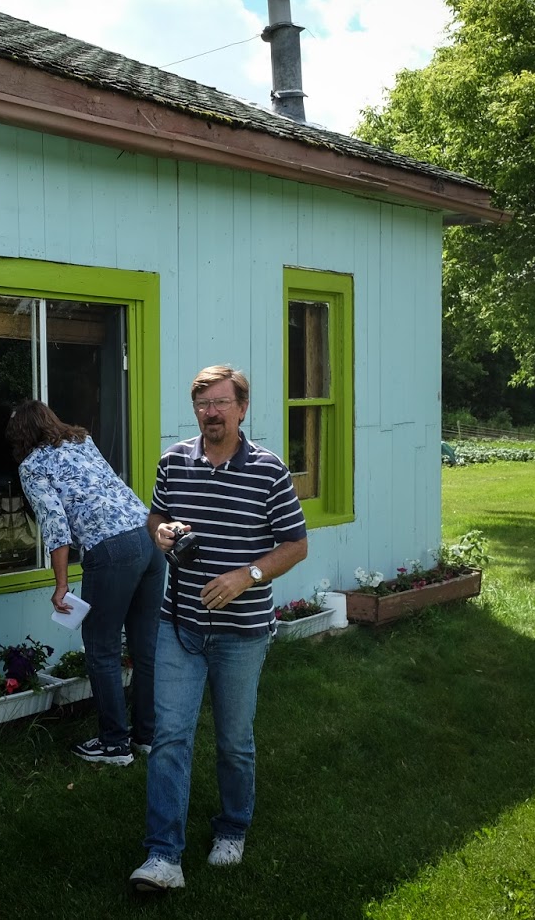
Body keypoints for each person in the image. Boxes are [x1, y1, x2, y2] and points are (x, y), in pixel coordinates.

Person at [129, 366, 308, 892]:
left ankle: (232, 828)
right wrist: (162, 532)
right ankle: (163, 856)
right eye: (203, 404)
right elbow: (154, 518)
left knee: (233, 742)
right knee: (170, 737)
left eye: (221, 403)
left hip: (241, 632)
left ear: (242, 408)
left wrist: (246, 576)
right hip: (180, 624)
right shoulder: (173, 462)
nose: (211, 413)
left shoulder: (269, 471)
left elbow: (296, 544)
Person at [6, 399, 164, 765]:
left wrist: (61, 585)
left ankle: (114, 745)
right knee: (146, 646)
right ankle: (147, 735)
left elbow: (56, 526)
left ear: (19, 435)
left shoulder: (31, 465)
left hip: (111, 549)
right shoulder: (81, 441)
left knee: (102, 648)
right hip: (148, 538)